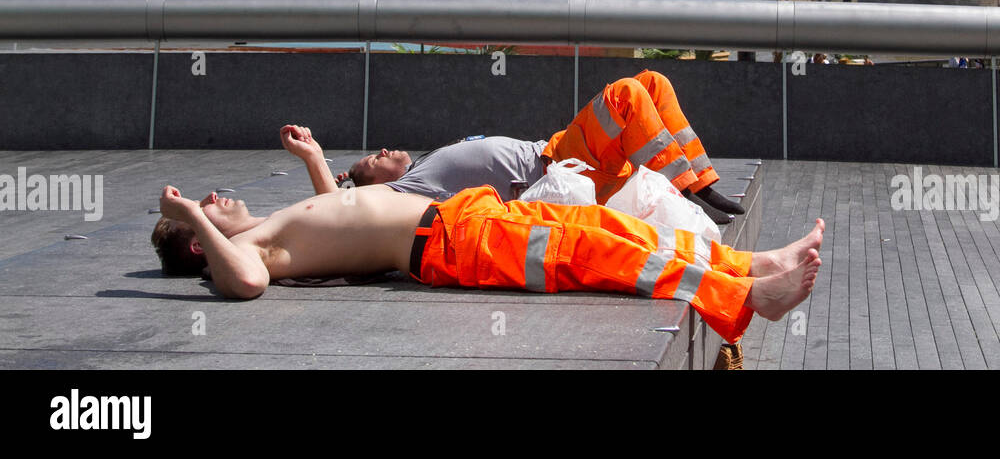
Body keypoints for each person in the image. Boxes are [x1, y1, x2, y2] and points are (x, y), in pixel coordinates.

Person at [150, 182, 823, 345]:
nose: (217, 198)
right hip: (447, 248)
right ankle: (740, 303)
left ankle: (748, 262)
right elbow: (245, 285)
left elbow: (344, 214)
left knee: (604, 223)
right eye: (204, 205)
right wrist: (198, 223)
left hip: (458, 218)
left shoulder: (271, 223)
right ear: (197, 246)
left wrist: (312, 163)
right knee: (595, 254)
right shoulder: (241, 254)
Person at [335, 70, 745, 221]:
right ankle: (692, 189)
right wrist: (321, 168)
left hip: (564, 157)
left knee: (653, 82)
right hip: (562, 171)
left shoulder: (423, 165)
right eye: (375, 159)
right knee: (625, 95)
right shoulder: (407, 191)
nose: (384, 150)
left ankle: (699, 182)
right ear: (376, 185)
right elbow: (342, 213)